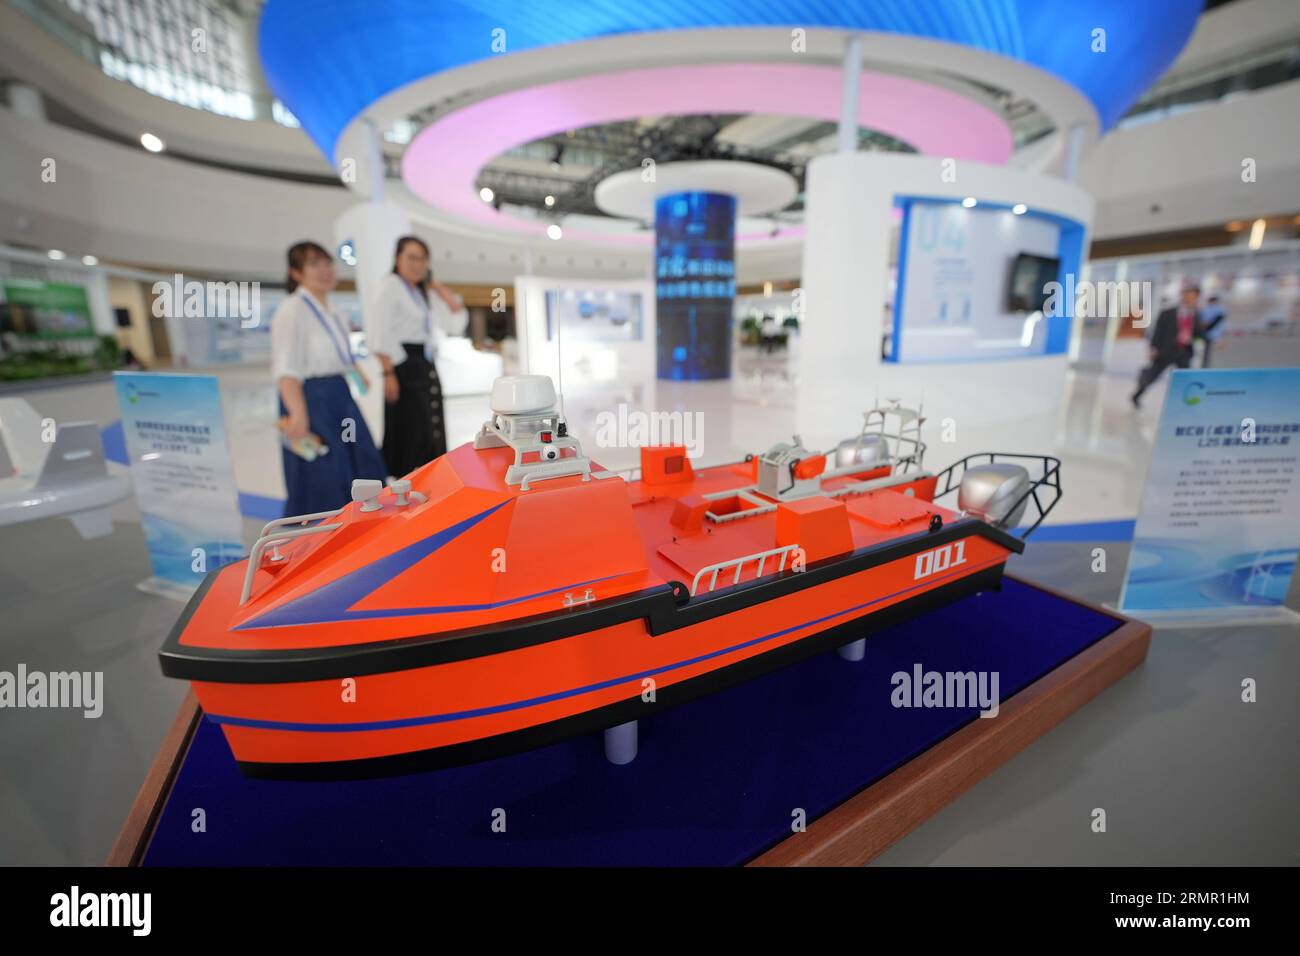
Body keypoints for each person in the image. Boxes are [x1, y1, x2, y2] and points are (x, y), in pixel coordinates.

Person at [270, 240, 386, 516]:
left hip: (339, 394)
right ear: (296, 273)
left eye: (327, 263)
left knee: (360, 462)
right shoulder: (292, 310)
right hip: (310, 399)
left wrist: (355, 372)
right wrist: (299, 415)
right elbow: (286, 370)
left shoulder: (334, 310)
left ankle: (359, 529)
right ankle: (322, 543)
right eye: (313, 264)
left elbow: (338, 352)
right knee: (324, 476)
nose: (324, 270)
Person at [370, 236, 467, 478]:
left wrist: (434, 284)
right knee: (410, 432)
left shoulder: (419, 292)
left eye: (423, 259)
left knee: (430, 428)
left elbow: (456, 313)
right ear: (397, 259)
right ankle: (406, 486)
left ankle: (429, 481)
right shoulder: (391, 285)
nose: (418, 264)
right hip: (403, 365)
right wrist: (388, 372)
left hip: (424, 364)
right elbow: (379, 331)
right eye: (412, 257)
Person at [1131, 285, 1203, 409]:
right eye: (1188, 296)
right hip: (1166, 350)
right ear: (1183, 295)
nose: (1190, 299)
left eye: (1194, 297)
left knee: (1184, 379)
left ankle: (1182, 404)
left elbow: (1199, 333)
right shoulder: (1168, 313)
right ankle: (1137, 395)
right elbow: (1158, 331)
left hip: (1184, 351)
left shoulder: (1196, 314)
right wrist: (1154, 348)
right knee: (1152, 375)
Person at [1199, 294, 1227, 368]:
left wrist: (1206, 327)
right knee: (1208, 356)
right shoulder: (1217, 310)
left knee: (1209, 356)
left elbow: (1215, 323)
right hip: (1211, 336)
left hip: (1212, 336)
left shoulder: (1218, 310)